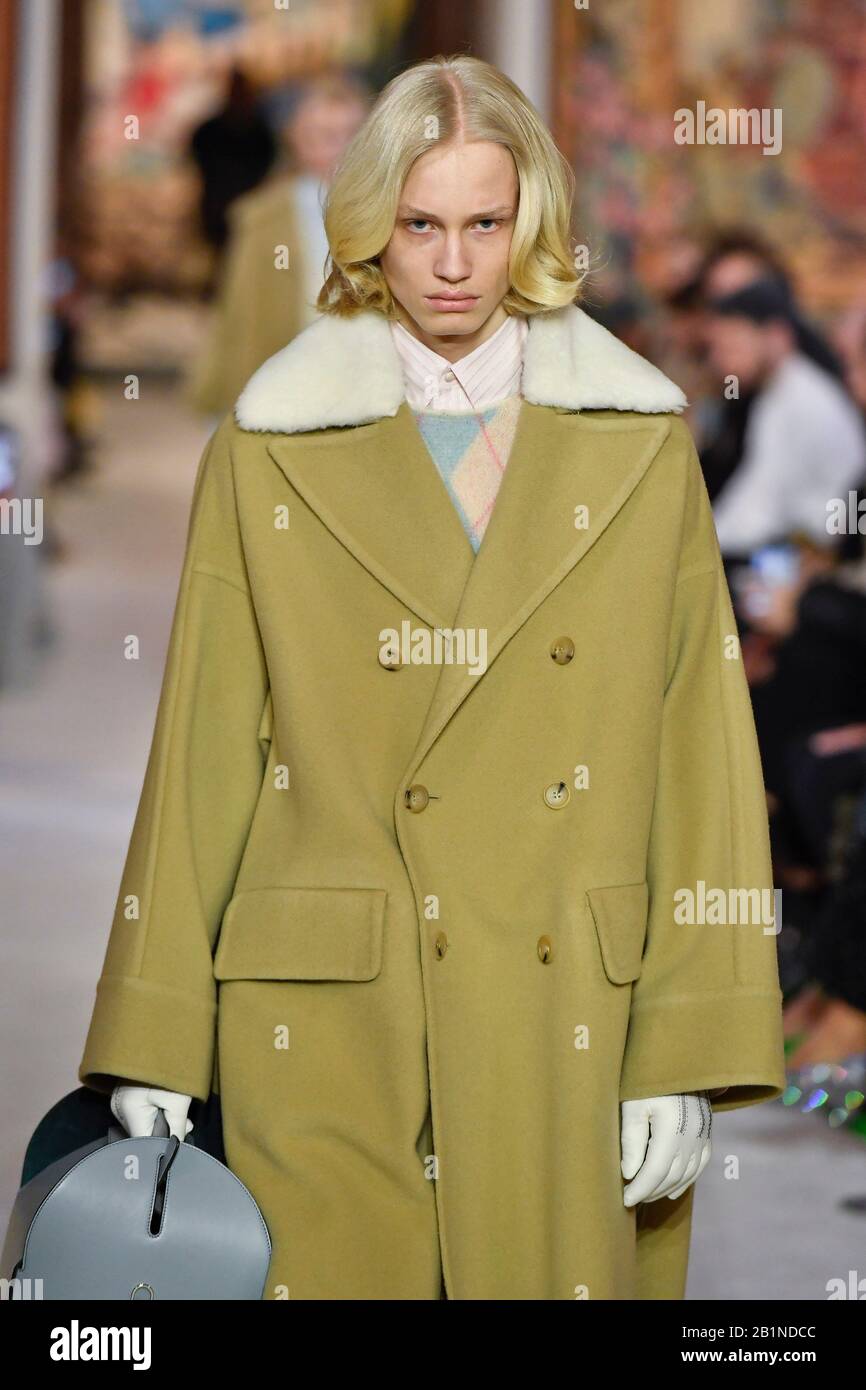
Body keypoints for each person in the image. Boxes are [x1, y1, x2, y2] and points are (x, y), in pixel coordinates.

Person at [78, 54, 786, 1301]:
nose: (453, 262)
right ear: (369, 228)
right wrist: (157, 1027)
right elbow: (202, 746)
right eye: (418, 224)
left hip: (564, 1003)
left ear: (530, 226)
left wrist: (689, 1037)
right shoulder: (272, 445)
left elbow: (699, 749)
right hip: (329, 1006)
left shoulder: (634, 442)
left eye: (483, 222)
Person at [186, 73, 371, 417]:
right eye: (325, 136)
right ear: (297, 138)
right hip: (287, 376)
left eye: (350, 136)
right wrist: (226, 399)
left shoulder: (387, 211)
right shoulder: (260, 219)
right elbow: (240, 316)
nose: (338, 150)